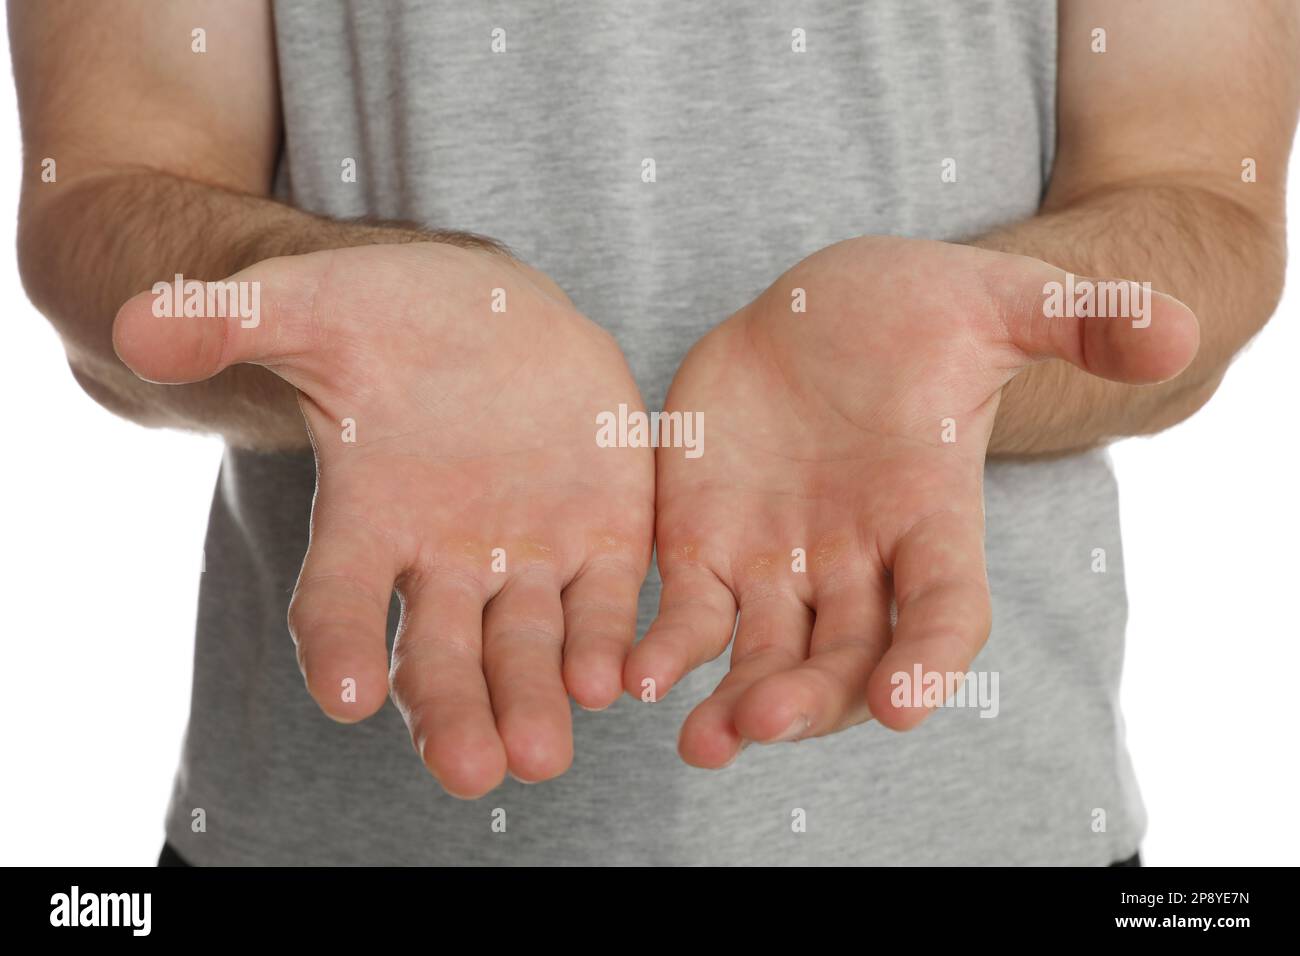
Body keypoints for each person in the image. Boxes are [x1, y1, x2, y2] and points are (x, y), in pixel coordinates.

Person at [11, 0, 1296, 866]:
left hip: (999, 829)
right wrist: (329, 317)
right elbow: (107, 190)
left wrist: (971, 349)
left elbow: (1199, 200)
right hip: (317, 832)